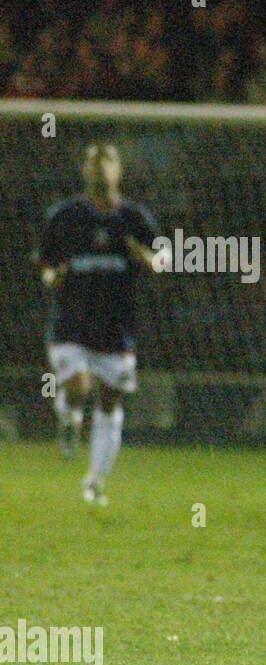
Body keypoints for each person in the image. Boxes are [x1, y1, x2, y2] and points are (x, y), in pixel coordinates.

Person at [37, 142, 163, 505]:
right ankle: (69, 417)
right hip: (71, 326)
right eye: (92, 161)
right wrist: (51, 277)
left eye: (106, 161)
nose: (99, 168)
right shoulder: (64, 215)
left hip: (116, 330)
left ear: (118, 170)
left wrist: (148, 258)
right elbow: (45, 263)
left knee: (110, 402)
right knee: (79, 384)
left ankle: (95, 480)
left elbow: (164, 256)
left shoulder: (135, 218)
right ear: (84, 170)